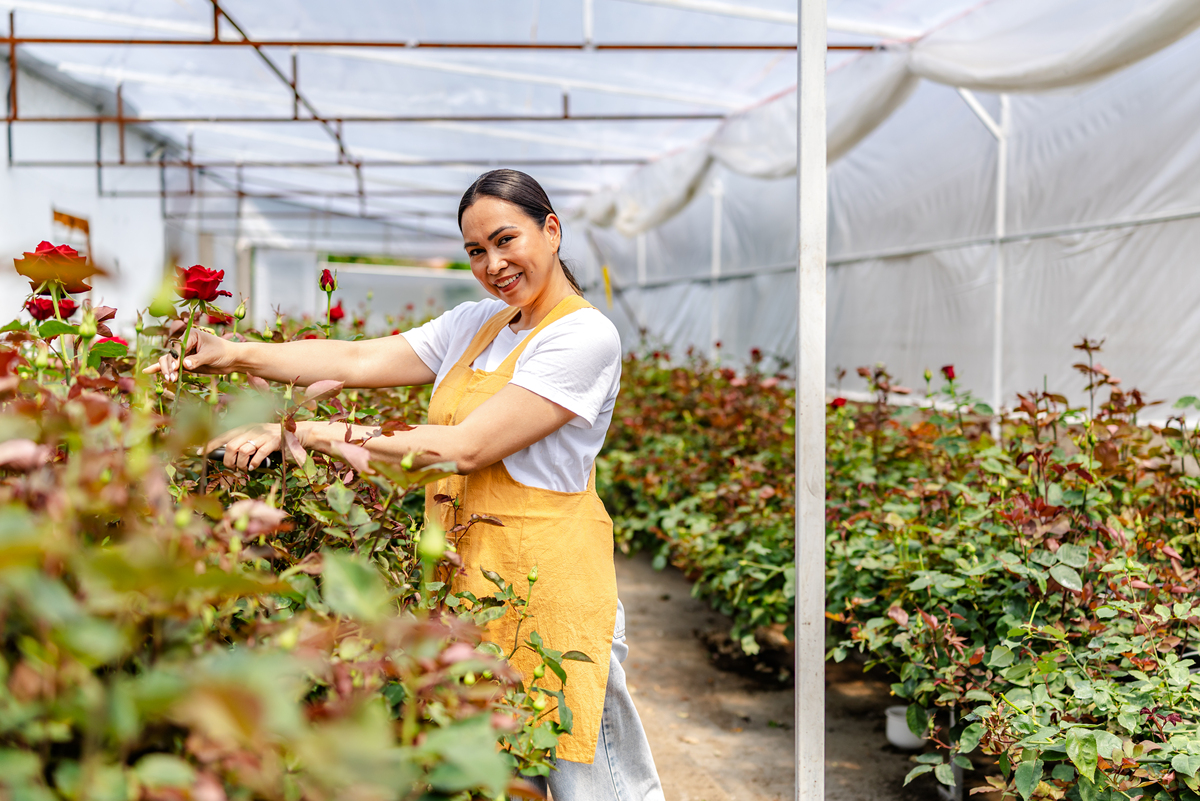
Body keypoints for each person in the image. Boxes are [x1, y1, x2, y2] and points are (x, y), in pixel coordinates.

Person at [147, 169, 665, 801]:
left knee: (595, 783)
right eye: (477, 251)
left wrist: (308, 431)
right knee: (502, 775)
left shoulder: (583, 336)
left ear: (550, 230)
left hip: (550, 588)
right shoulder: (480, 323)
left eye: (507, 240)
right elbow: (358, 359)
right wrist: (232, 351)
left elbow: (464, 448)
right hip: (468, 574)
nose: (493, 264)